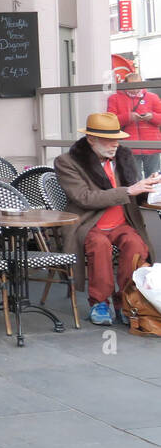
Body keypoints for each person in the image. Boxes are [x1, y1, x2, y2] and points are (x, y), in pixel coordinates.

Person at [54, 112, 161, 326]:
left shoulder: (123, 157)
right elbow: (84, 198)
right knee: (99, 245)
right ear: (91, 139)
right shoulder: (67, 162)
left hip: (122, 222)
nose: (115, 145)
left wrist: (149, 187)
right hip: (88, 222)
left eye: (118, 139)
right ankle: (99, 303)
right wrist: (130, 189)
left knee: (136, 245)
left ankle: (126, 302)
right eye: (109, 140)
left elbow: (132, 193)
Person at [107, 69, 161, 177]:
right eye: (132, 86)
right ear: (125, 84)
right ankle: (139, 195)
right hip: (129, 146)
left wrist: (152, 117)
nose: (136, 89)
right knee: (134, 179)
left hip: (151, 145)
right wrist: (128, 117)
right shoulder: (115, 98)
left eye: (138, 85)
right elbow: (110, 120)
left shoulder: (152, 97)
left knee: (154, 179)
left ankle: (152, 195)